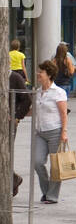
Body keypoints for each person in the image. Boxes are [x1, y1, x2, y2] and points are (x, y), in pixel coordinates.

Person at [34, 60, 70, 204]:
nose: (38, 74)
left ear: (49, 75)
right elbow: (34, 111)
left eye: (41, 72)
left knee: (56, 166)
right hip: (40, 132)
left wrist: (64, 132)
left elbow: (63, 114)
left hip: (55, 131)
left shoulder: (59, 92)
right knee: (37, 162)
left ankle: (52, 196)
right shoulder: (37, 92)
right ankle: (47, 190)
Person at [9, 67, 30, 197]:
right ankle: (14, 179)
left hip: (9, 123)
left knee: (6, 152)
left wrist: (17, 117)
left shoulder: (15, 77)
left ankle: (12, 181)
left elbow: (27, 99)